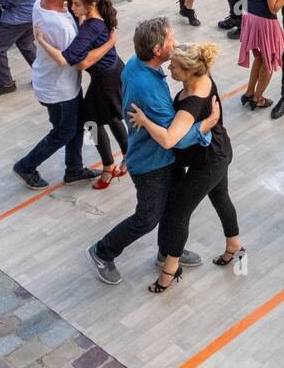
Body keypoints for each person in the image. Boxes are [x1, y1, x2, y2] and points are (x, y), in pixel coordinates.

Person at [87, 17, 214, 286]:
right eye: (171, 39)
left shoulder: (136, 63)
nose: (176, 43)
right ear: (158, 50)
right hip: (151, 164)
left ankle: (168, 252)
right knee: (147, 218)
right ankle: (102, 251)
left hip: (161, 158)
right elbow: (175, 139)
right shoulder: (149, 89)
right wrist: (206, 125)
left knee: (174, 208)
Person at [130, 43, 242, 294]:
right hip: (218, 151)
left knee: (177, 213)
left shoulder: (192, 104)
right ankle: (233, 244)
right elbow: (188, 52)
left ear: (190, 70)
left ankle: (171, 269)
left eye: (175, 66)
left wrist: (145, 121)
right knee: (221, 198)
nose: (170, 66)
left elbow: (170, 140)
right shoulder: (201, 73)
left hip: (209, 162)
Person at [12, 0, 100, 189]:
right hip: (60, 89)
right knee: (63, 132)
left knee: (76, 126)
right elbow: (75, 58)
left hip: (56, 82)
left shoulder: (41, 2)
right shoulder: (59, 26)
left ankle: (74, 169)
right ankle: (26, 166)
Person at [34, 0, 128, 189]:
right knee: (110, 117)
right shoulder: (98, 16)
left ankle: (107, 166)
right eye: (71, 4)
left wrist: (41, 41)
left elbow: (65, 60)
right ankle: (128, 155)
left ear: (91, 4)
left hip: (104, 80)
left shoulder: (89, 28)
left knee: (92, 123)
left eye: (76, 5)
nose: (72, 9)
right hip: (113, 71)